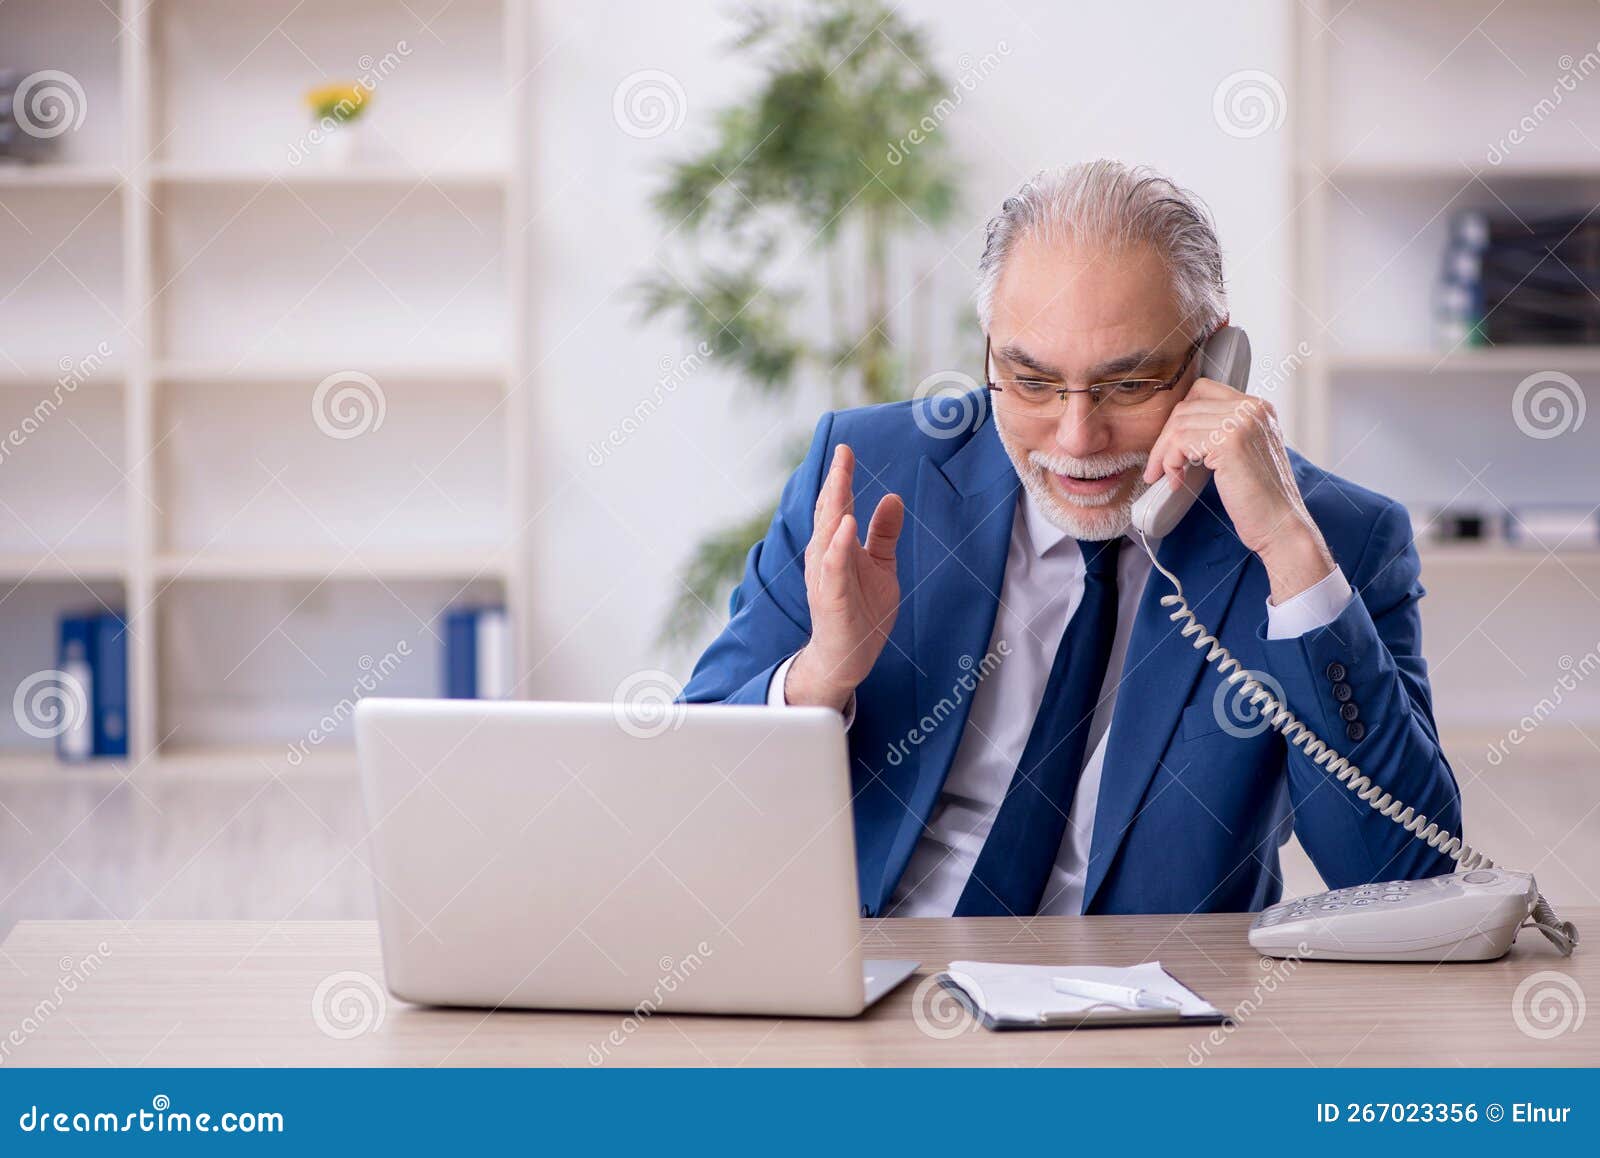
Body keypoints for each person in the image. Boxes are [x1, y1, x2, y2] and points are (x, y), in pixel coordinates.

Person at [683, 160, 1462, 917]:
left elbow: (1404, 878)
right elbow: (695, 797)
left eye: (1127, 385)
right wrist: (823, 675)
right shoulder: (874, 474)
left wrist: (1291, 552)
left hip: (1145, 1017)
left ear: (1219, 360)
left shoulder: (1339, 541)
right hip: (875, 986)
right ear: (990, 346)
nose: (1078, 436)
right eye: (1032, 381)